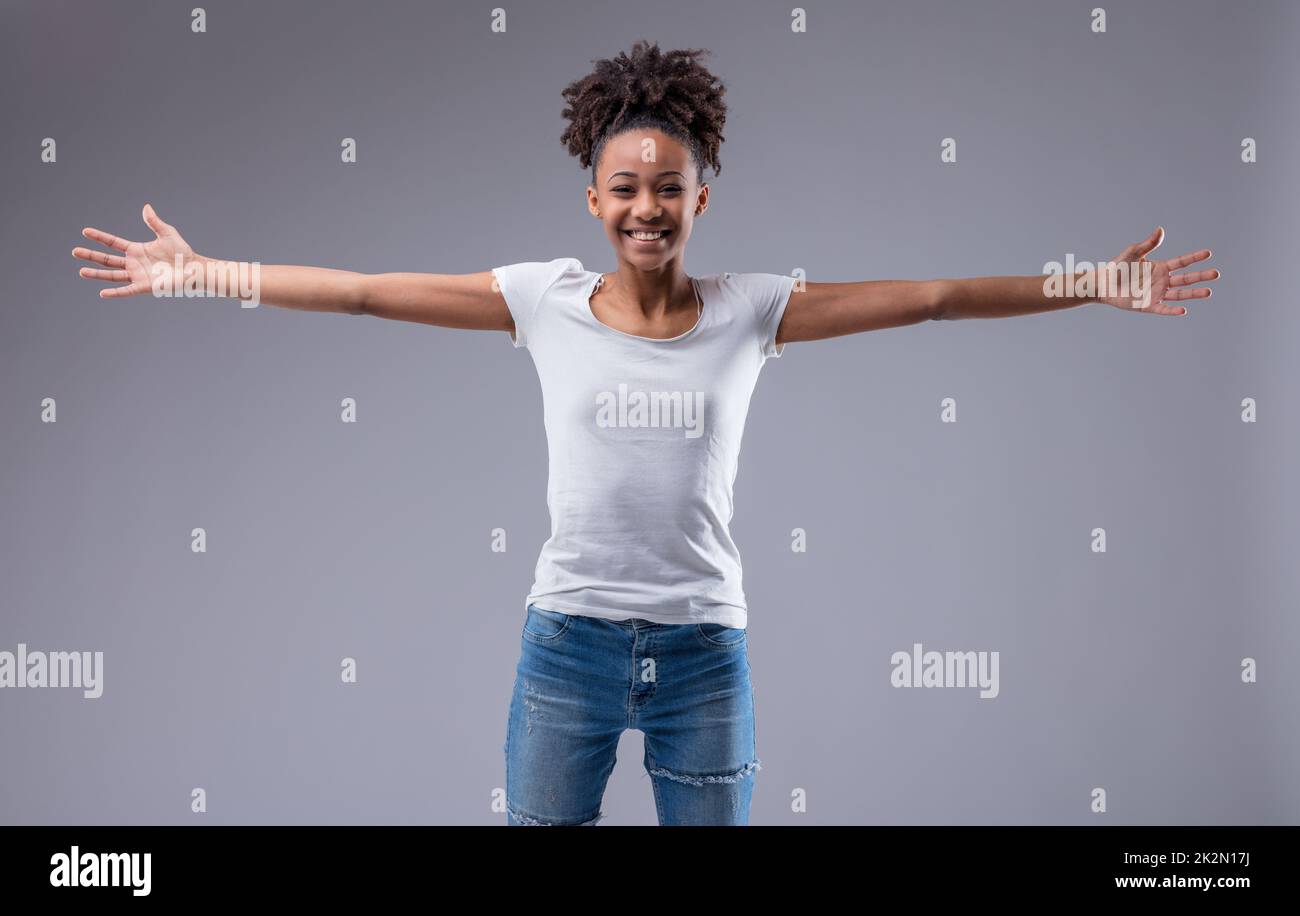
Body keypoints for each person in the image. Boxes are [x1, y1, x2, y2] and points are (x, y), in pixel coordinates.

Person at [72, 39, 1218, 826]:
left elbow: (930, 298)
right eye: (624, 187)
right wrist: (201, 272)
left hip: (703, 655)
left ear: (701, 197)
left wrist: (1089, 282)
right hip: (564, 646)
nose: (645, 209)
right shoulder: (540, 300)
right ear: (592, 198)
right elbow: (369, 289)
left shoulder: (754, 311)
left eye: (667, 188)